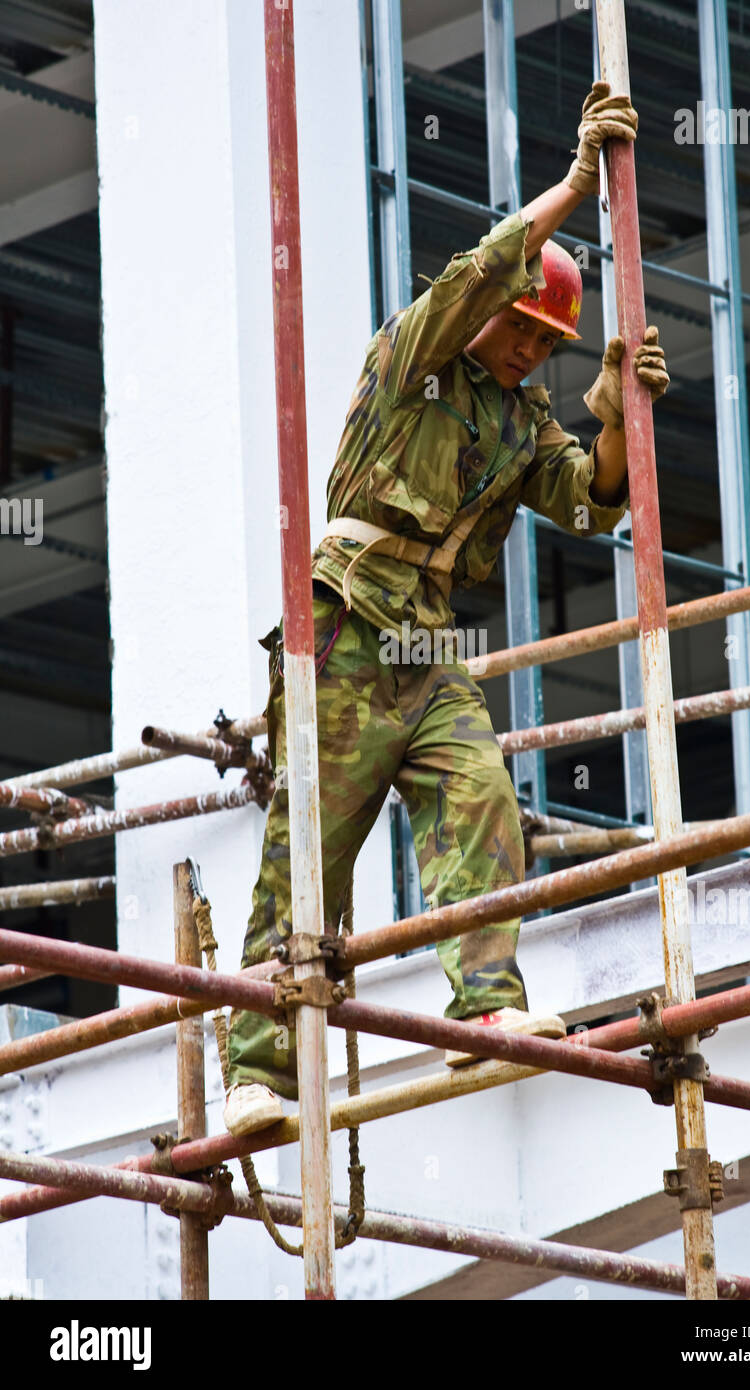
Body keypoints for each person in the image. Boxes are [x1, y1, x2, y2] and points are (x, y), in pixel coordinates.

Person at [223, 82, 669, 1137]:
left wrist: (618, 409)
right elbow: (474, 278)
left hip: (424, 644)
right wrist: (571, 186)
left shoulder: (518, 419)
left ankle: (490, 1007)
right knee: (310, 854)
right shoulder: (411, 359)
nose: (524, 351)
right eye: (517, 330)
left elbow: (589, 496)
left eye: (540, 342)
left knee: (478, 798)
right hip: (340, 625)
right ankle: (258, 1069)